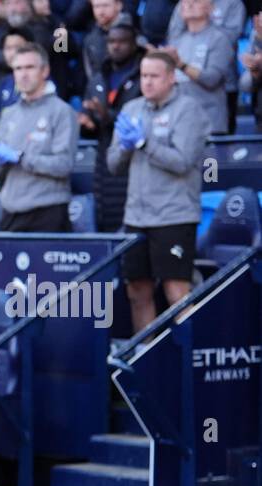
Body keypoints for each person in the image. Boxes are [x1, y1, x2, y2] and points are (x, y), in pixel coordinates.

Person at [107, 51, 211, 333]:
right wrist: (126, 147)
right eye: (143, 76)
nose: (147, 82)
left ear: (171, 78)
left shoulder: (188, 110)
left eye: (154, 76)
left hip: (173, 215)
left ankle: (187, 360)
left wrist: (143, 143)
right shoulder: (132, 109)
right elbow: (113, 164)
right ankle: (146, 357)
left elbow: (183, 162)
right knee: (136, 290)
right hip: (137, 215)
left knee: (176, 291)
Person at [0, 44, 79, 232]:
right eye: (18, 69)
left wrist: (22, 158)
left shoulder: (62, 111)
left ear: (45, 71)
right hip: (11, 210)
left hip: (48, 211)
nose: (23, 74)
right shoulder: (8, 114)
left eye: (30, 67)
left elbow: (64, 165)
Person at [82, 16, 145, 232]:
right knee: (105, 213)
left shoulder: (143, 75)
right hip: (104, 153)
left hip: (134, 156)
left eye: (122, 41)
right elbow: (91, 118)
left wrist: (107, 116)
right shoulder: (100, 75)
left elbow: (140, 118)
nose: (115, 46)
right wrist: (87, 123)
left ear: (134, 44)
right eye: (111, 42)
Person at [165, 0, 235, 135]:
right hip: (178, 123)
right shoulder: (176, 40)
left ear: (211, 8)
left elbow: (212, 79)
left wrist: (180, 64)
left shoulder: (219, 39)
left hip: (209, 123)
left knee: (211, 157)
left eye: (196, 1)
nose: (189, 4)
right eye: (185, 1)